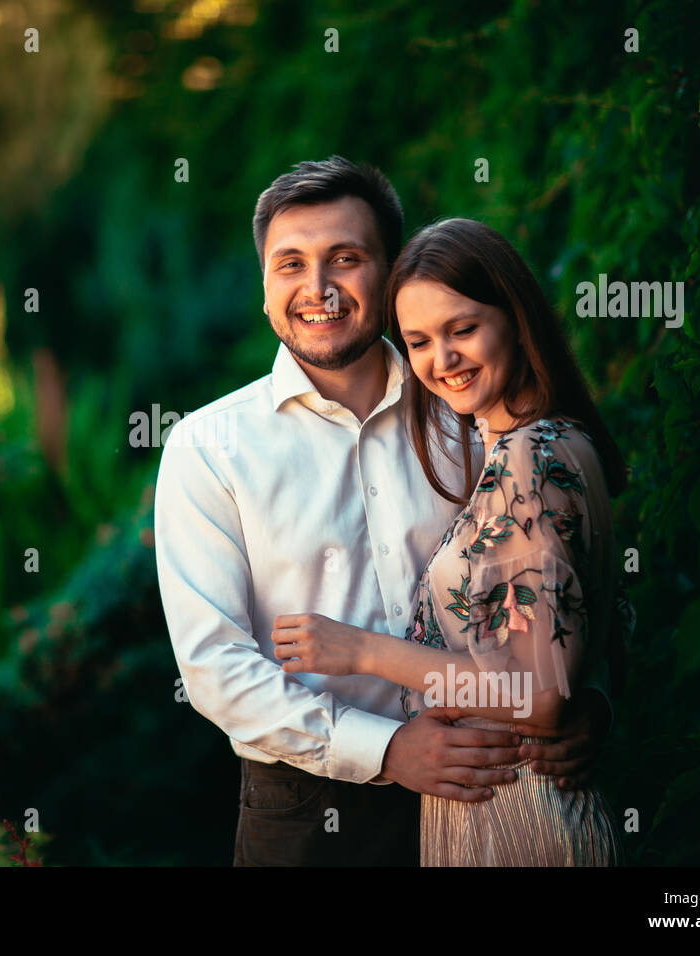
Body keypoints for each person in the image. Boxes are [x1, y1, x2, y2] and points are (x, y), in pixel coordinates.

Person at [153, 157, 616, 866]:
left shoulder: (469, 412)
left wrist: (590, 703)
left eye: (346, 258)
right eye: (290, 264)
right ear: (265, 286)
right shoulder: (208, 446)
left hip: (494, 788)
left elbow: (565, 574)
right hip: (308, 808)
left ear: (389, 271)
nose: (318, 288)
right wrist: (388, 749)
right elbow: (215, 666)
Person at [269, 217, 629, 865]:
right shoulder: (539, 447)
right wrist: (595, 703)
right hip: (499, 813)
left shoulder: (531, 457)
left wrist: (363, 652)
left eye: (463, 329)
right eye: (419, 342)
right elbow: (589, 645)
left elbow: (538, 697)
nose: (443, 360)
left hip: (521, 819)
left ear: (515, 318)